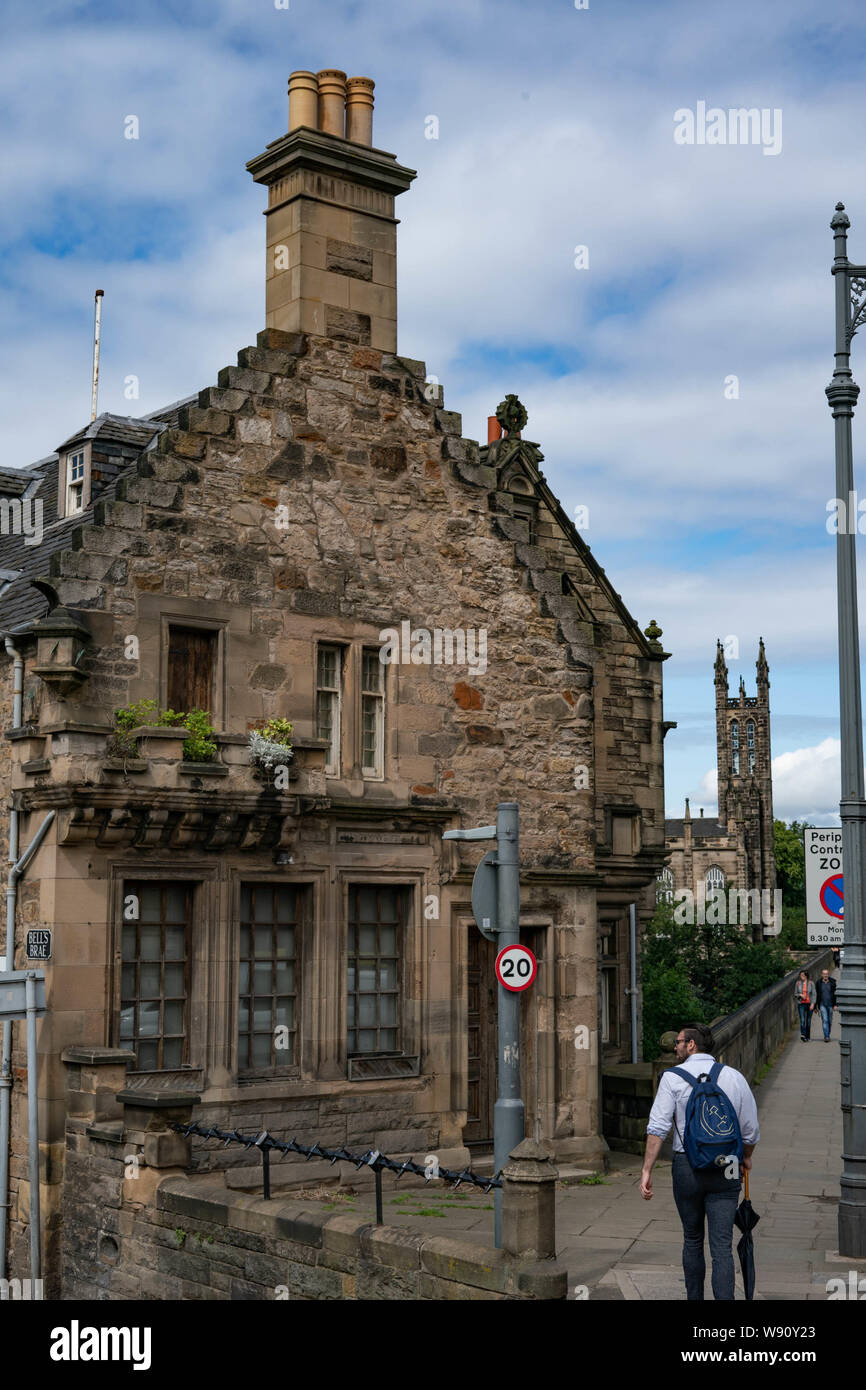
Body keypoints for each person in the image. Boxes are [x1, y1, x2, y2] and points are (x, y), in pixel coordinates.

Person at [640, 1022, 759, 1301]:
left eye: (679, 1042)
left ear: (691, 1044)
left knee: (692, 1240)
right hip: (727, 1165)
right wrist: (747, 1158)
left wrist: (647, 1169)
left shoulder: (671, 1077)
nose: (676, 1046)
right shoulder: (733, 1076)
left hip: (687, 1165)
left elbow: (658, 1127)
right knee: (722, 1247)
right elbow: (751, 1129)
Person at [815, 968, 838, 1042]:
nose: (825, 975)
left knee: (830, 1021)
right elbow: (816, 995)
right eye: (824, 974)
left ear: (828, 974)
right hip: (822, 1004)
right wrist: (816, 1006)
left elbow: (835, 995)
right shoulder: (818, 983)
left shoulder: (832, 983)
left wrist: (835, 1005)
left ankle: (828, 1033)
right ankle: (826, 1036)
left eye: (826, 974)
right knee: (825, 1020)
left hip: (831, 1004)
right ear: (822, 975)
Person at [795, 970, 816, 1041]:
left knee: (808, 1021)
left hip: (809, 1004)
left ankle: (808, 1037)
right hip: (801, 1004)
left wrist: (813, 1004)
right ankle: (803, 1035)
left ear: (806, 976)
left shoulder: (811, 983)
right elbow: (795, 994)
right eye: (801, 975)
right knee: (802, 1020)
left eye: (803, 975)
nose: (802, 976)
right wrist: (800, 995)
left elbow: (814, 994)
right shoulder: (798, 983)